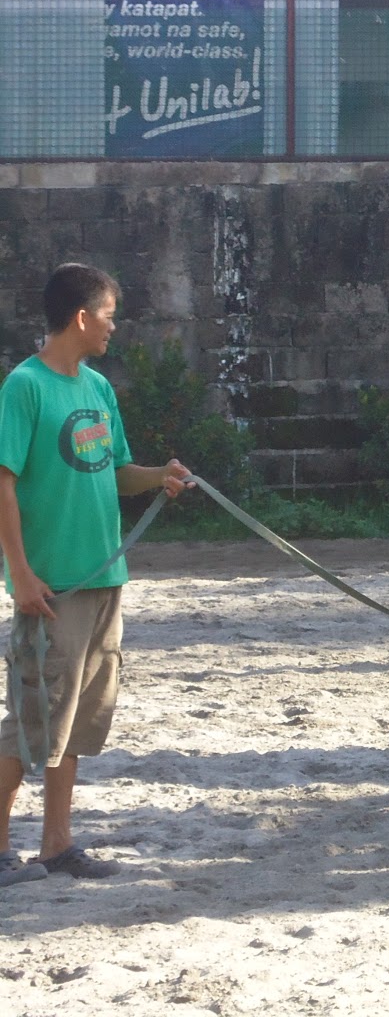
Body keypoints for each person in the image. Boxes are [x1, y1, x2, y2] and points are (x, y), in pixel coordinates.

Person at [0, 263, 191, 885]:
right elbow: (2, 482)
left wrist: (159, 477)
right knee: (31, 724)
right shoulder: (24, 388)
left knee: (77, 723)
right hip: (52, 591)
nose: (114, 326)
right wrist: (22, 576)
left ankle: (58, 846)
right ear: (82, 318)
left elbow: (115, 472)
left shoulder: (98, 389)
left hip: (105, 583)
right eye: (110, 314)